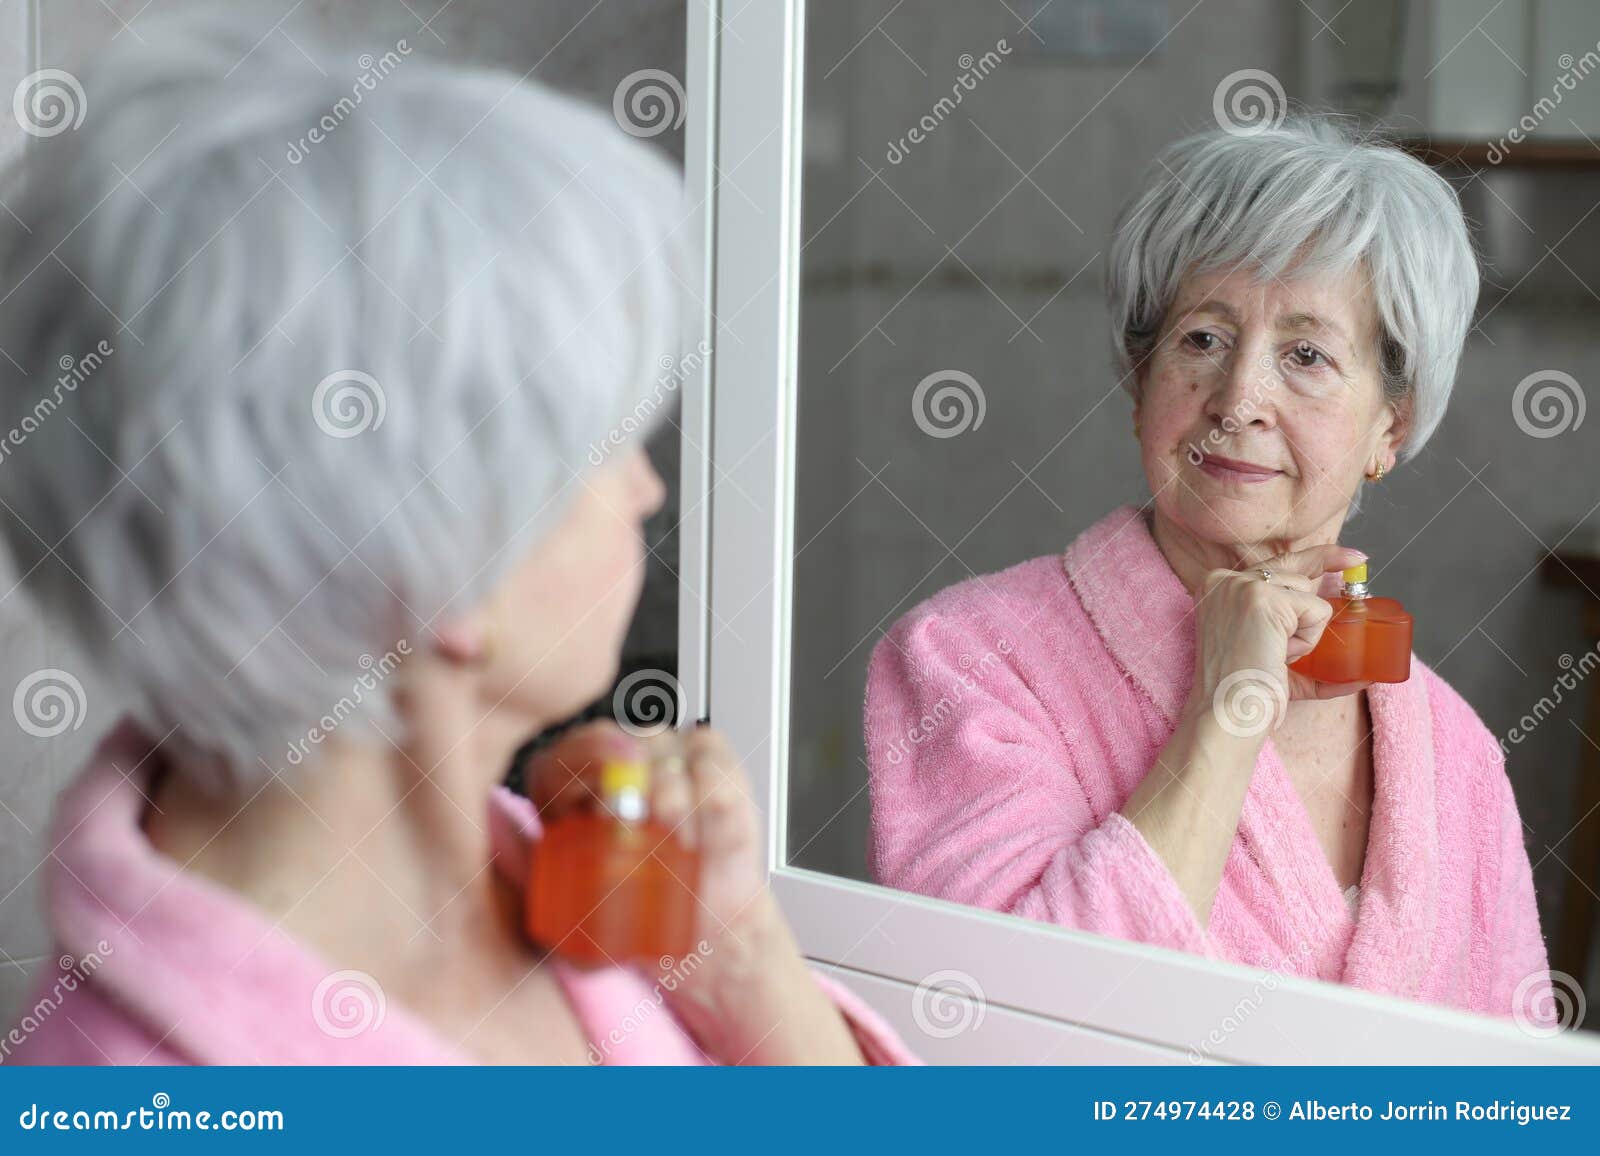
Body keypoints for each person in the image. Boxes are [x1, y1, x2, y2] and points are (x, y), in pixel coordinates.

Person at [0, 13, 914, 1065]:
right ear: (437, 569)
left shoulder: (581, 885)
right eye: (605, 443)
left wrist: (744, 965)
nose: (646, 488)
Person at [865, 114, 1555, 1027]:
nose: (1238, 402)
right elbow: (995, 1043)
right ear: (1139, 377)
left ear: (1391, 425)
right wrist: (1224, 713)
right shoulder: (966, 660)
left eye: (1307, 355)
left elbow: (1513, 1090)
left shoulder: (1452, 748)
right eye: (1202, 340)